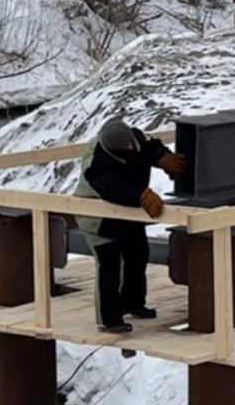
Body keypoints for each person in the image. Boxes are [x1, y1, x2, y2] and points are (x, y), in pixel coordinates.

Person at [73, 119, 185, 334]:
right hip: (98, 217)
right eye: (125, 150)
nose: (131, 150)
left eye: (132, 146)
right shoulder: (96, 162)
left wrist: (163, 157)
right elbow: (111, 188)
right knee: (109, 267)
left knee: (138, 253)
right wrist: (140, 195)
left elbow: (150, 148)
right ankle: (110, 319)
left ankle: (133, 303)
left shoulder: (135, 137)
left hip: (126, 212)